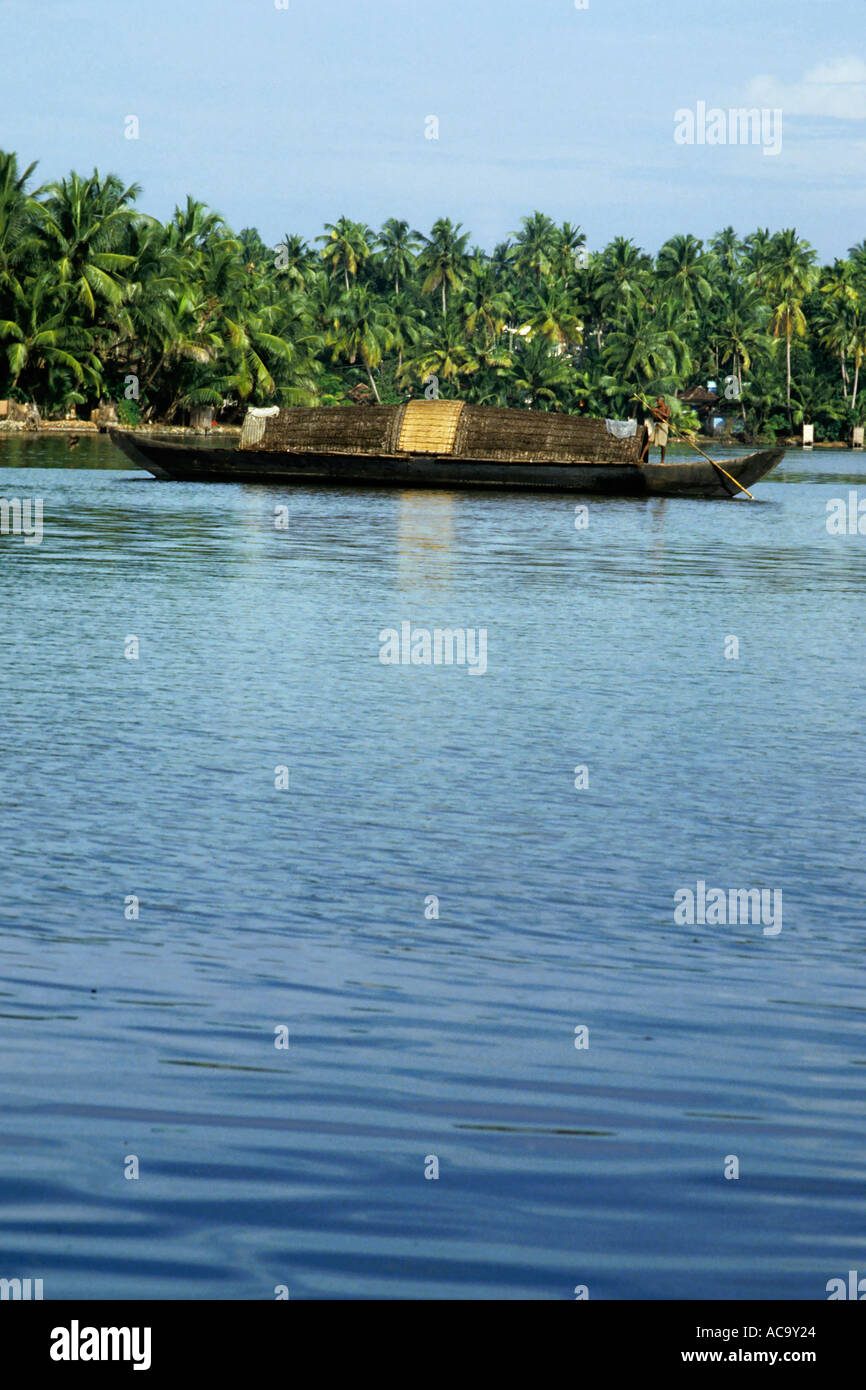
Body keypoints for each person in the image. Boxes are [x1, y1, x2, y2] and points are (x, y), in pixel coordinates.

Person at [640, 396, 671, 463]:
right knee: (649, 441)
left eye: (658, 401)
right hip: (657, 425)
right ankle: (641, 458)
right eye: (656, 401)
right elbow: (655, 419)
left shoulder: (667, 407)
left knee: (663, 445)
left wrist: (658, 411)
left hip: (663, 426)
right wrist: (655, 415)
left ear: (662, 401)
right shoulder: (657, 408)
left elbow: (667, 416)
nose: (657, 403)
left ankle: (662, 461)